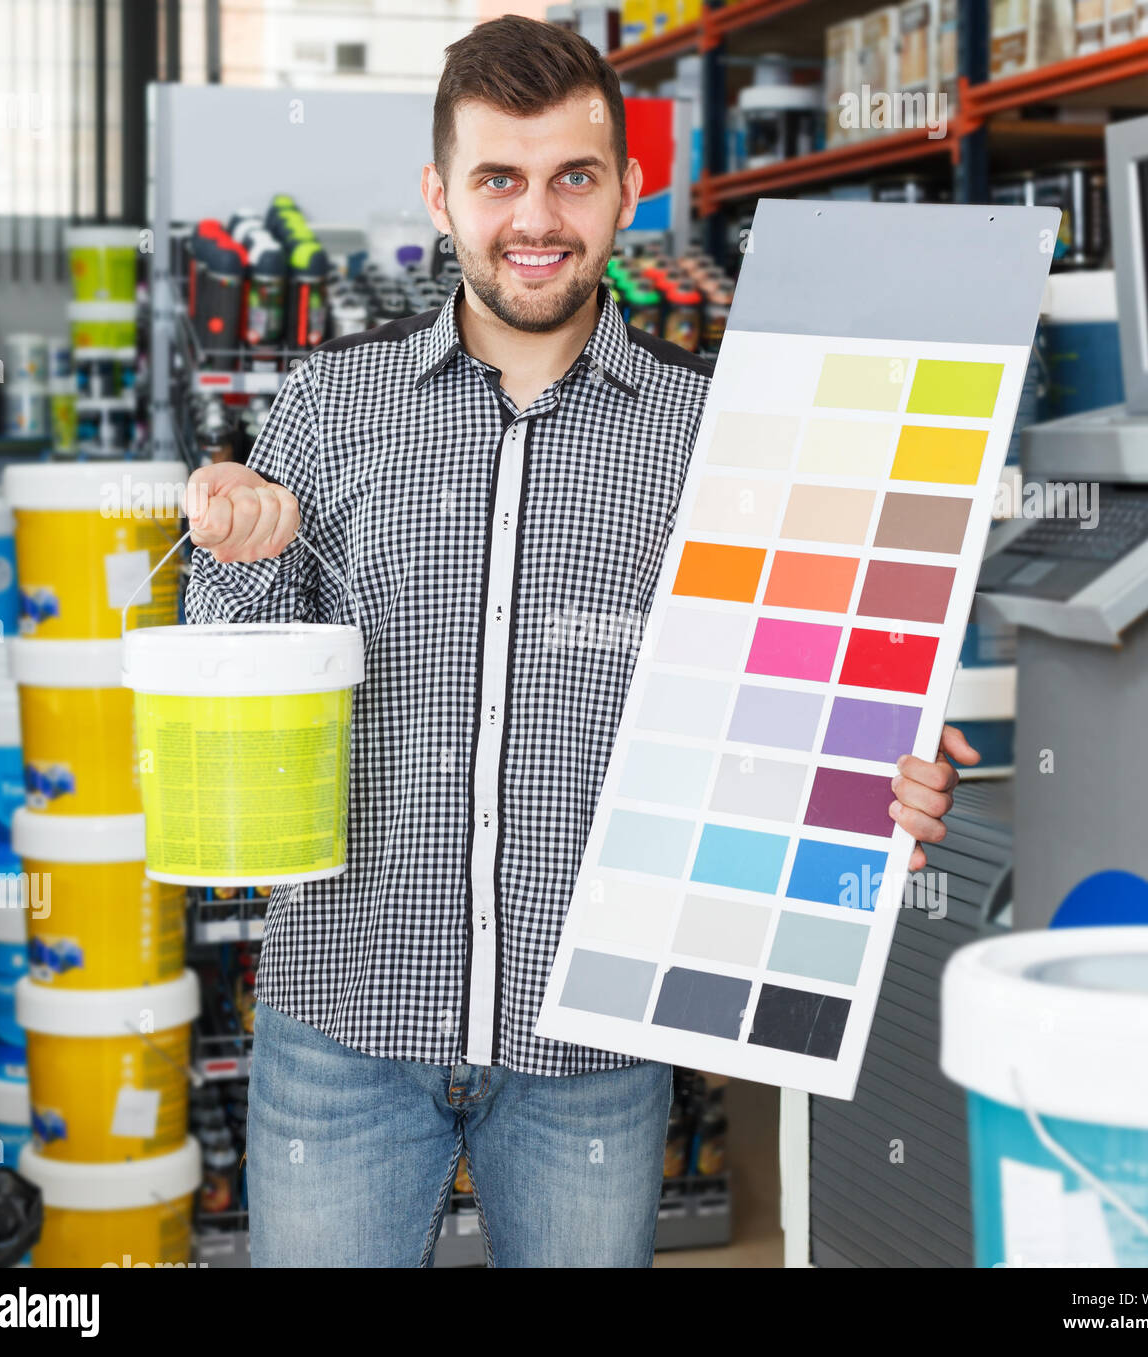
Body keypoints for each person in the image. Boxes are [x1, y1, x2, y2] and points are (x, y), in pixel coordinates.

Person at [185, 14, 982, 1269]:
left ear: (626, 191)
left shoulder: (717, 432)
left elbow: (772, 710)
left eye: (574, 175)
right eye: (498, 178)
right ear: (440, 195)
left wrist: (871, 770)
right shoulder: (328, 408)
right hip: (342, 1020)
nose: (535, 217)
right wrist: (241, 559)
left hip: (591, 1052)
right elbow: (227, 689)